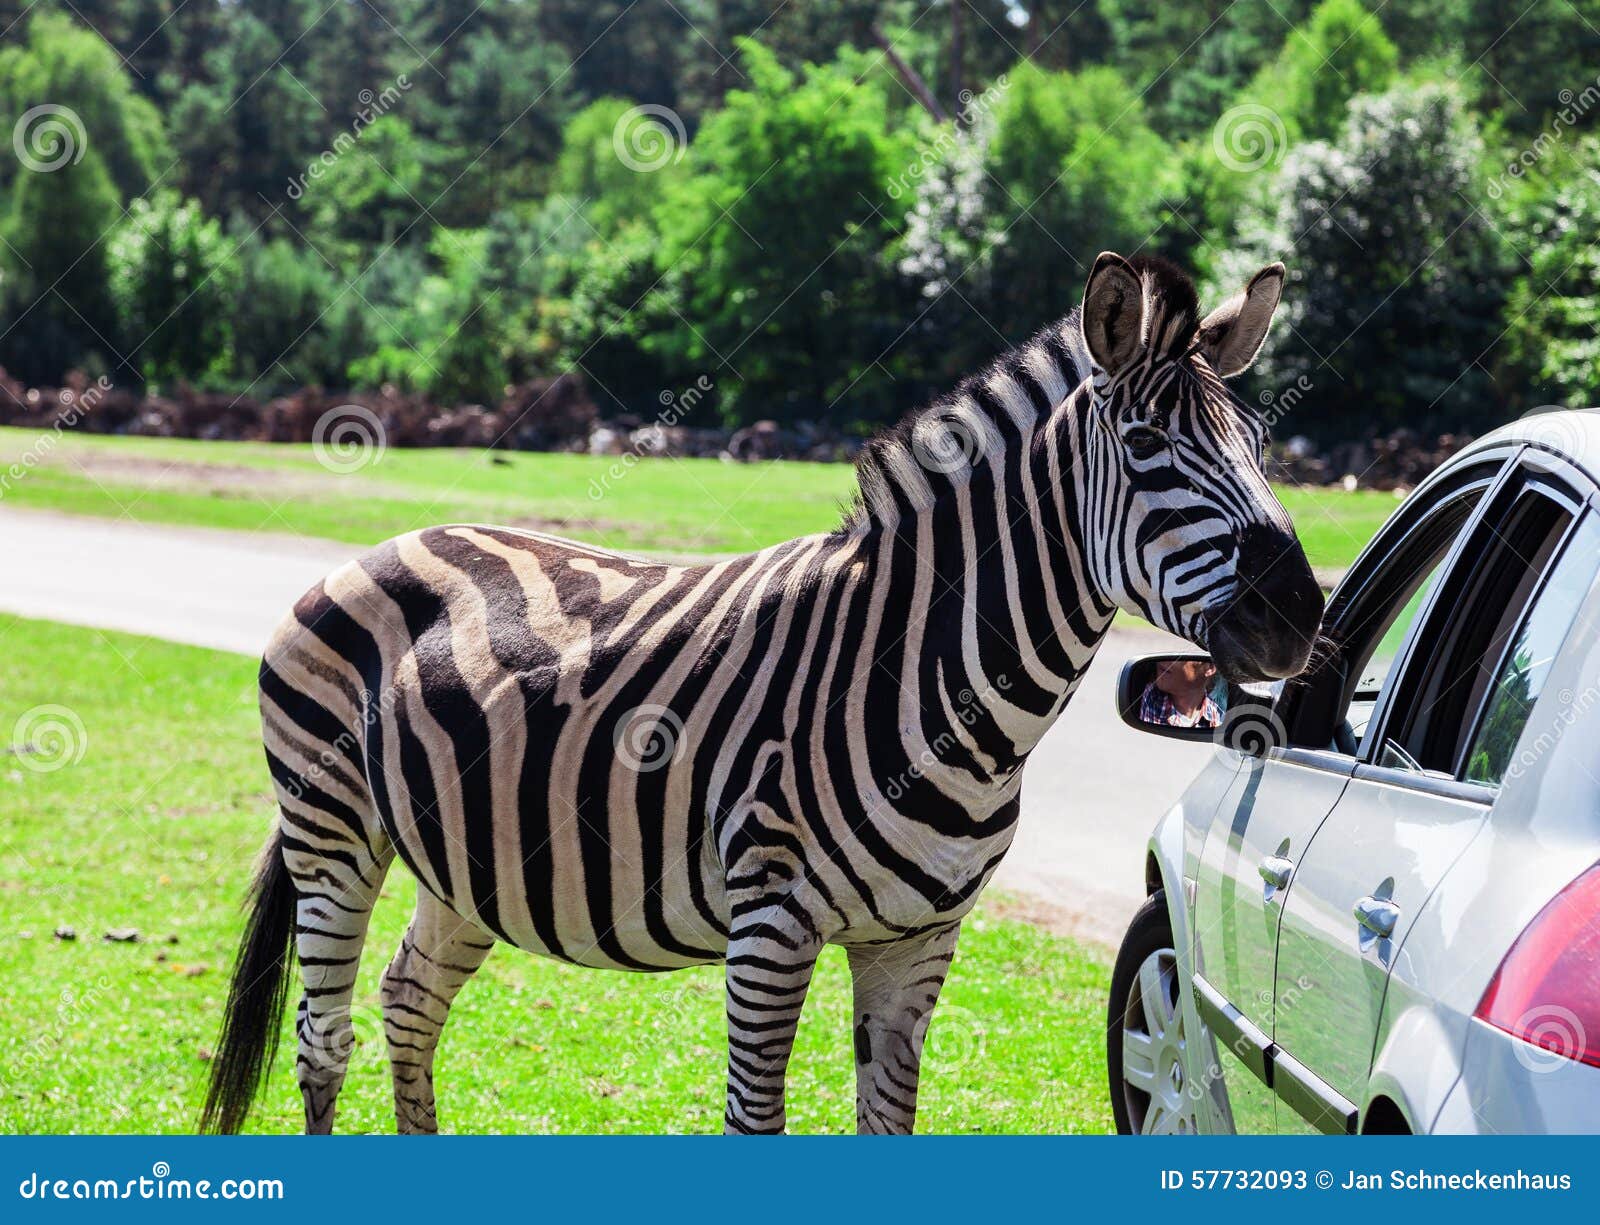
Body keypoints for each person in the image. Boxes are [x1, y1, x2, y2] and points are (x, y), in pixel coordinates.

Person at [1139, 658, 1225, 729]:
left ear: (1209, 667)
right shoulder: (1145, 695)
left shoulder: (1218, 719)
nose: (1164, 659)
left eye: (1179, 656)